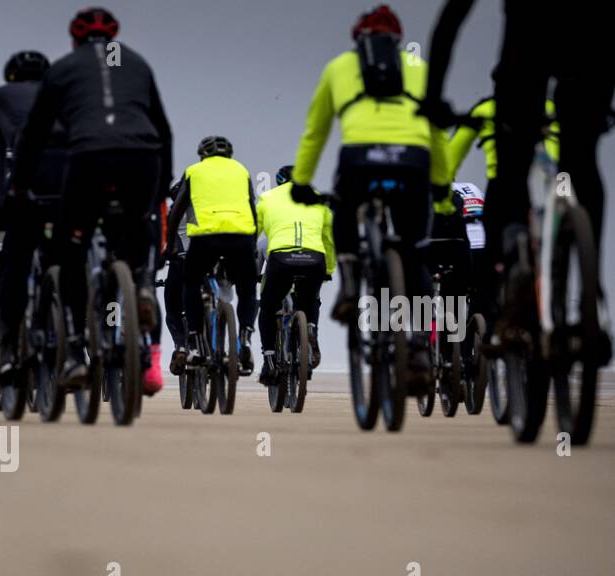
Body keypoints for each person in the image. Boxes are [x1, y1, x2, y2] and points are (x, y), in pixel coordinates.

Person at [7, 7, 172, 388]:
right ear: (113, 37)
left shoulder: (62, 69)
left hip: (89, 159)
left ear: (74, 40)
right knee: (139, 225)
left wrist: (18, 186)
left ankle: (76, 350)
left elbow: (34, 135)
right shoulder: (137, 63)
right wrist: (161, 184)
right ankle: (144, 285)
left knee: (70, 250)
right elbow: (164, 129)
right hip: (142, 157)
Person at [290, 4, 449, 380]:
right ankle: (420, 347)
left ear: (357, 41)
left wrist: (301, 182)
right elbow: (439, 133)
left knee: (344, 209)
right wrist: (440, 183)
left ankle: (348, 283)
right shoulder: (421, 70)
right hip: (413, 162)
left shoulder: (338, 68)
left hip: (360, 160)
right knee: (414, 255)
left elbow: (316, 132)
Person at [424, 0, 615, 268]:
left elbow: (451, 18)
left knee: (510, 166)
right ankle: (591, 285)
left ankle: (492, 286)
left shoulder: (485, 108)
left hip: (528, 41)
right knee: (582, 160)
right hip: (592, 45)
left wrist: (433, 96)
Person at [0, 51, 71, 381]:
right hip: (68, 185)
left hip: (23, 185)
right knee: (70, 262)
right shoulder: (63, 93)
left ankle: (8, 350)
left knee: (15, 265)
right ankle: (77, 343)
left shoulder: (0, 97)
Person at [166, 136, 259, 377]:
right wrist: (251, 243)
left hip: (206, 239)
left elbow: (177, 209)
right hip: (240, 236)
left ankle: (195, 345)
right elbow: (252, 206)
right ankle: (246, 339)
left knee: (190, 284)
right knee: (248, 289)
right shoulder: (242, 170)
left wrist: (170, 243)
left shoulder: (194, 171)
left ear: (202, 155)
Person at [256, 165, 334, 380]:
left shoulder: (268, 197)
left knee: (268, 306)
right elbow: (328, 238)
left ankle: (269, 359)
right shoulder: (318, 198)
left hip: (281, 258)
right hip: (314, 258)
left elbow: (253, 233)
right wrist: (328, 268)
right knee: (310, 300)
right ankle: (310, 328)